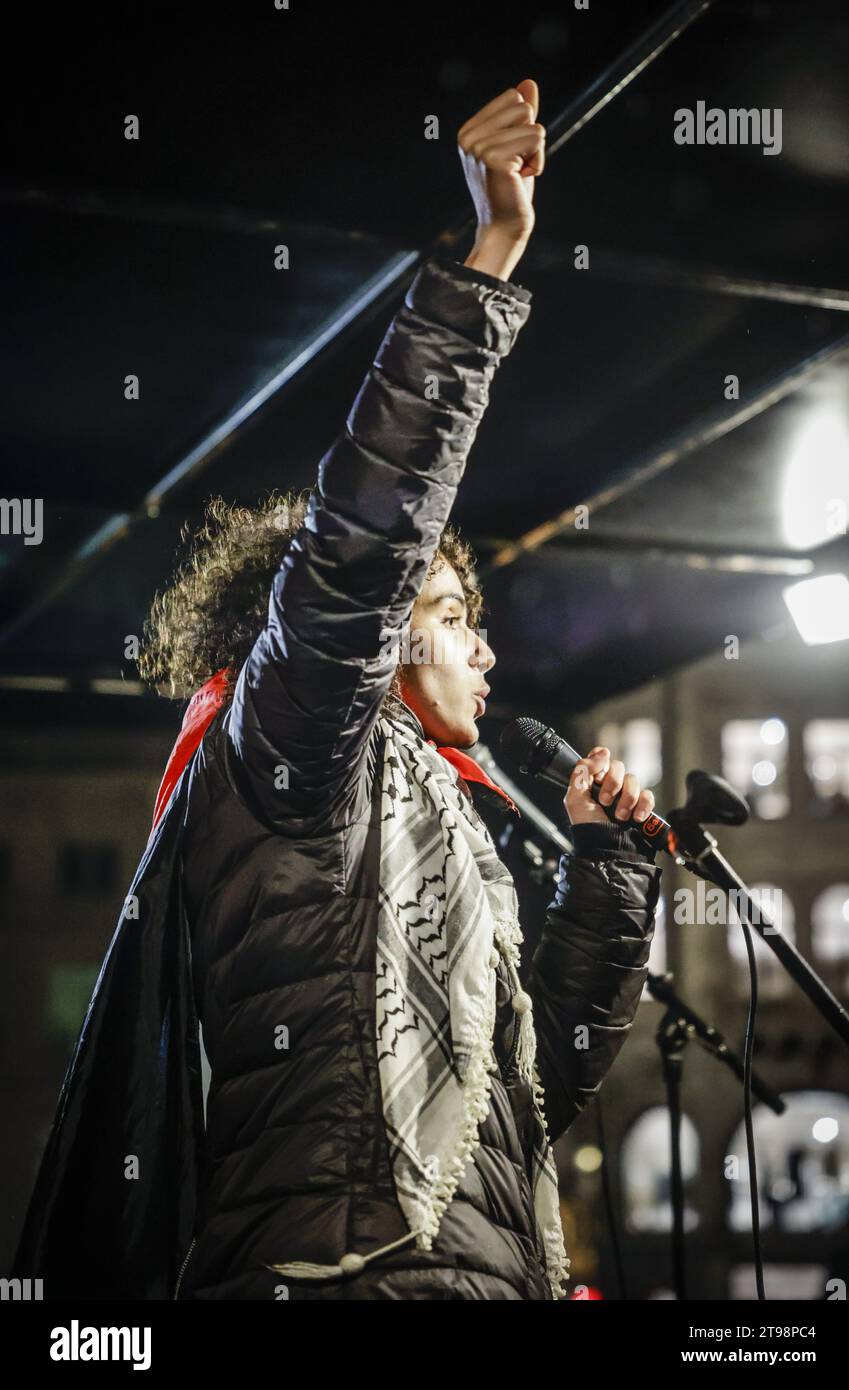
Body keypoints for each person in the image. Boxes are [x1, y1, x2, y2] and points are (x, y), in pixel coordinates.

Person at [14, 79, 661, 1301]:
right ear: (374, 633)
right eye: (458, 618)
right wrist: (489, 257)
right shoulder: (291, 757)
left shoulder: (445, 838)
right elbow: (364, 544)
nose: (484, 656)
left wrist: (612, 878)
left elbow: (512, 1105)